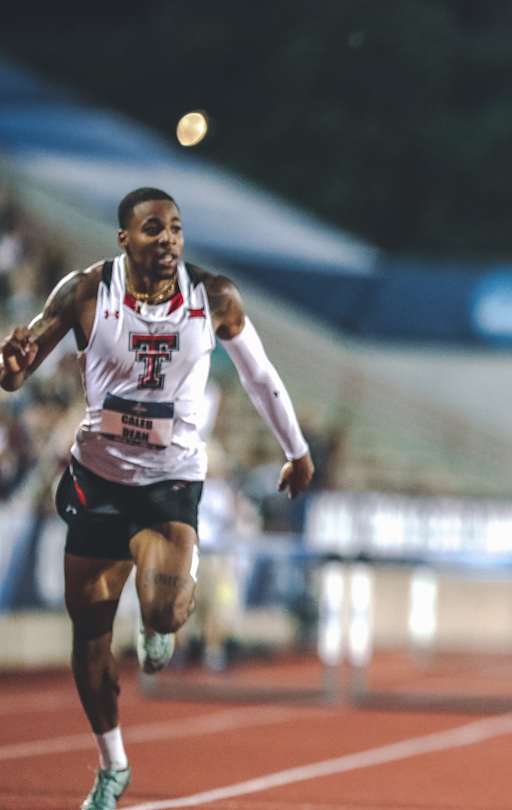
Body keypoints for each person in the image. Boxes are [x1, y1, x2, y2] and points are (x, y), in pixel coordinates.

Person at [0, 188, 314, 810]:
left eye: (175, 227)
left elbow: (258, 374)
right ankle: (112, 763)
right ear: (124, 239)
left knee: (166, 614)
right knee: (89, 630)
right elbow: (22, 362)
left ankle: (163, 609)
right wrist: (9, 369)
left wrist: (296, 449)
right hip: (97, 477)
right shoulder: (87, 292)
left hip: (171, 480)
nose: (167, 238)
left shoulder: (213, 297)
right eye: (152, 228)